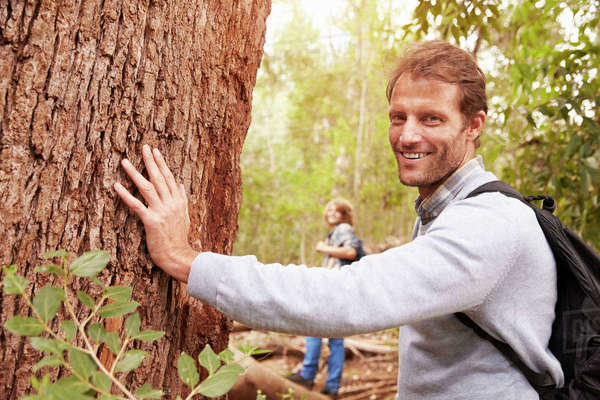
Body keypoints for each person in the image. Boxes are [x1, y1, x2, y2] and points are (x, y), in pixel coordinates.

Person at [113, 40, 564, 399]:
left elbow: (346, 298)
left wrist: (185, 260)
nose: (408, 135)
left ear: (473, 126)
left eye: (431, 118)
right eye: (398, 117)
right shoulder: (446, 210)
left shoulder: (487, 226)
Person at [287, 198, 363, 398]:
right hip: (340, 289)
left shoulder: (343, 229)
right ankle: (331, 387)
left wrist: (323, 248)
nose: (331, 213)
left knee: (313, 327)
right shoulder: (336, 231)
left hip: (335, 289)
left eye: (336, 211)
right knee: (335, 340)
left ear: (345, 214)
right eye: (329, 210)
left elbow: (350, 251)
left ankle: (308, 374)